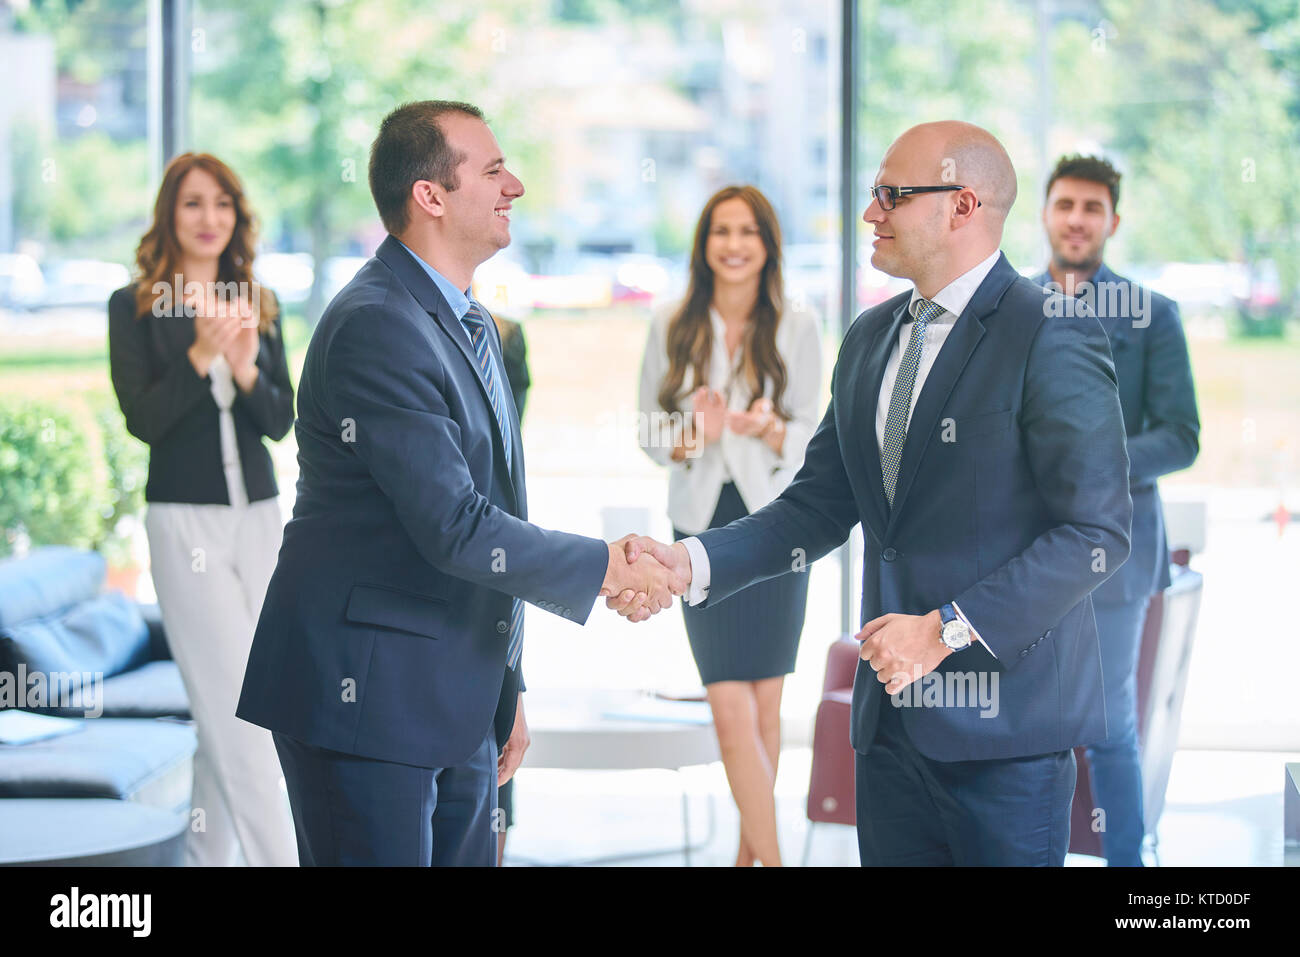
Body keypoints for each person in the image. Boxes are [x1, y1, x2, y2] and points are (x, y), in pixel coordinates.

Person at [617, 121, 1134, 866]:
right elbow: (818, 503)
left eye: (891, 195)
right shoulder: (869, 337)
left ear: (961, 206)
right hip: (889, 736)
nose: (871, 213)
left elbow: (1095, 535)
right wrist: (686, 562)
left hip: (1007, 738)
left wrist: (945, 629)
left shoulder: (1051, 333)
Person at [235, 100, 683, 866]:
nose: (516, 185)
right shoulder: (378, 323)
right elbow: (456, 524)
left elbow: (494, 512)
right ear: (430, 196)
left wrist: (503, 691)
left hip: (455, 697)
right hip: (366, 700)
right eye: (493, 169)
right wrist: (607, 564)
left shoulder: (470, 323)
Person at [107, 152, 298, 866]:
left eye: (222, 203)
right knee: (243, 721)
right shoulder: (134, 306)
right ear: (169, 214)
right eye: (193, 203)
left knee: (231, 716)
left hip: (262, 519)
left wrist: (244, 362)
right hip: (184, 523)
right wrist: (197, 353)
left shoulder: (260, 299)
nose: (209, 218)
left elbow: (281, 419)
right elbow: (144, 420)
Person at [637, 185, 822, 866]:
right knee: (727, 702)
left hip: (779, 521)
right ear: (704, 244)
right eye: (722, 231)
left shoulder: (798, 323)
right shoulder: (670, 322)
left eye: (749, 231)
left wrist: (769, 427)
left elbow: (814, 433)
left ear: (768, 243)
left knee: (766, 707)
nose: (735, 244)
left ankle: (751, 859)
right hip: (700, 529)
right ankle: (774, 861)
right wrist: (695, 430)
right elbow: (649, 434)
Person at [1034, 154, 1200, 866]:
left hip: (1117, 551)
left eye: (1092, 207)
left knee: (1107, 726)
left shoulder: (1153, 314)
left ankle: (1133, 877)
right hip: (1026, 549)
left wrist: (1097, 457)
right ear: (1044, 211)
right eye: (1066, 203)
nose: (1077, 219)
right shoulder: (1010, 306)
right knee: (1028, 726)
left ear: (1113, 221)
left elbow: (1182, 435)